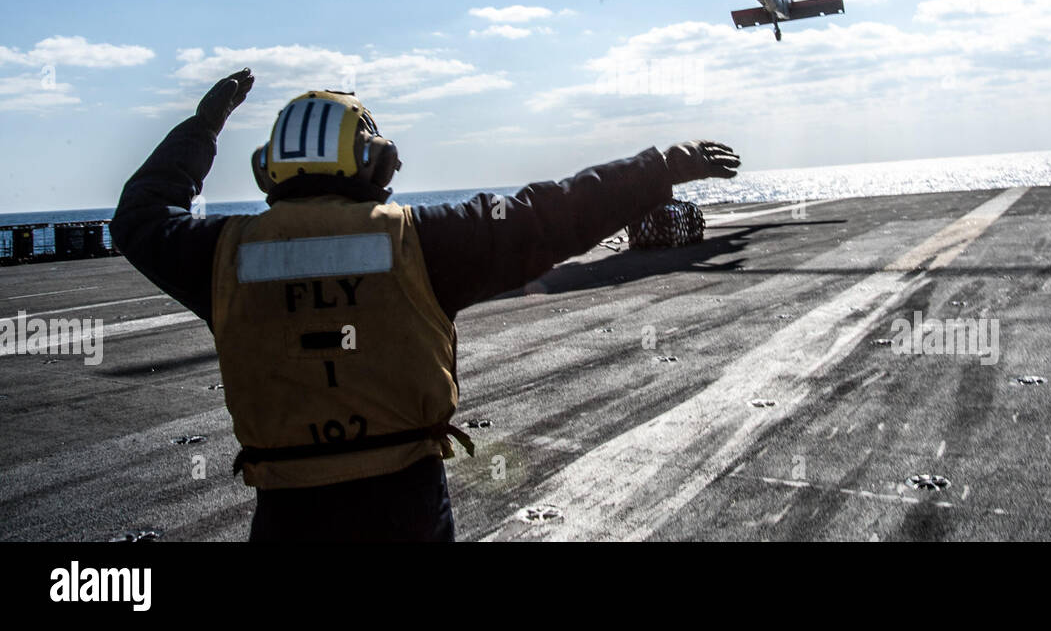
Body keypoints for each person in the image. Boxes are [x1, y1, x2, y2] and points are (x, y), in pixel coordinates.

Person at [109, 68, 741, 541]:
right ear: (373, 163)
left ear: (270, 168)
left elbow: (139, 218)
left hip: (287, 513)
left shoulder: (219, 254)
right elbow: (552, 213)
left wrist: (201, 128)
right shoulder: (419, 238)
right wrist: (663, 167)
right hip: (402, 505)